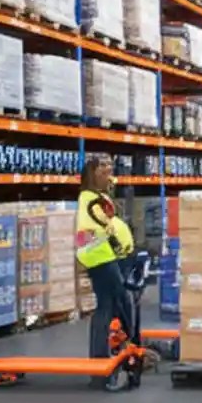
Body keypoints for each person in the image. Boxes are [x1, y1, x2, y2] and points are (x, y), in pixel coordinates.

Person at [75, 156, 137, 385]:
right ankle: (101, 360)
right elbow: (105, 226)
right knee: (113, 303)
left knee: (112, 304)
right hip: (99, 257)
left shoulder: (97, 197)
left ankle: (109, 354)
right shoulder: (89, 200)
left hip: (106, 256)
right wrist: (118, 242)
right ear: (92, 173)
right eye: (103, 170)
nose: (108, 174)